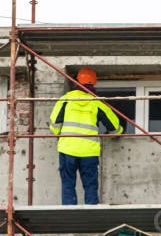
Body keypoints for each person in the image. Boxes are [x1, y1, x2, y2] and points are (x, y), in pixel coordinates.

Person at [49, 67, 124, 205]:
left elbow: (54, 125)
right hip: (89, 151)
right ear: (93, 83)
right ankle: (91, 210)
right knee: (90, 185)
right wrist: (118, 132)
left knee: (68, 183)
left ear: (77, 81)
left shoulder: (66, 99)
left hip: (67, 149)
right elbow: (114, 127)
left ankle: (69, 211)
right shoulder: (96, 102)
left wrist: (60, 133)